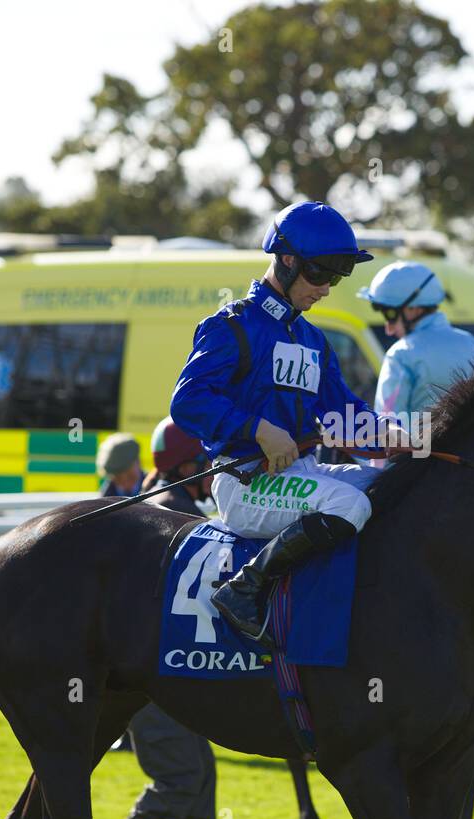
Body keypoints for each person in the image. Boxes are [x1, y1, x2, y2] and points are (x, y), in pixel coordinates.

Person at [170, 200, 406, 640]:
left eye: (337, 277)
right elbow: (188, 401)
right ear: (286, 260)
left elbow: (342, 413)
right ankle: (245, 588)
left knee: (389, 489)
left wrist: (395, 436)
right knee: (350, 504)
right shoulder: (231, 326)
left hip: (301, 475)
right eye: (320, 274)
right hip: (245, 484)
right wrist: (258, 429)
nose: (326, 288)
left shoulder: (314, 339)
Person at [94, 418, 217, 819]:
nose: (214, 470)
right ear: (185, 467)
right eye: (205, 463)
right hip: (153, 677)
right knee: (182, 777)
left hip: (173, 669)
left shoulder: (171, 504)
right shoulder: (174, 516)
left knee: (199, 770)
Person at [359, 260, 474, 425]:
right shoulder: (472, 343)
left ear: (414, 309)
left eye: (389, 314)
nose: (389, 329)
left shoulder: (401, 354)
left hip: (418, 450)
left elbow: (387, 428)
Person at [97, 432, 144, 497]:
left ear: (139, 462)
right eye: (118, 477)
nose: (124, 481)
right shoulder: (105, 496)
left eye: (129, 475)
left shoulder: (157, 489)